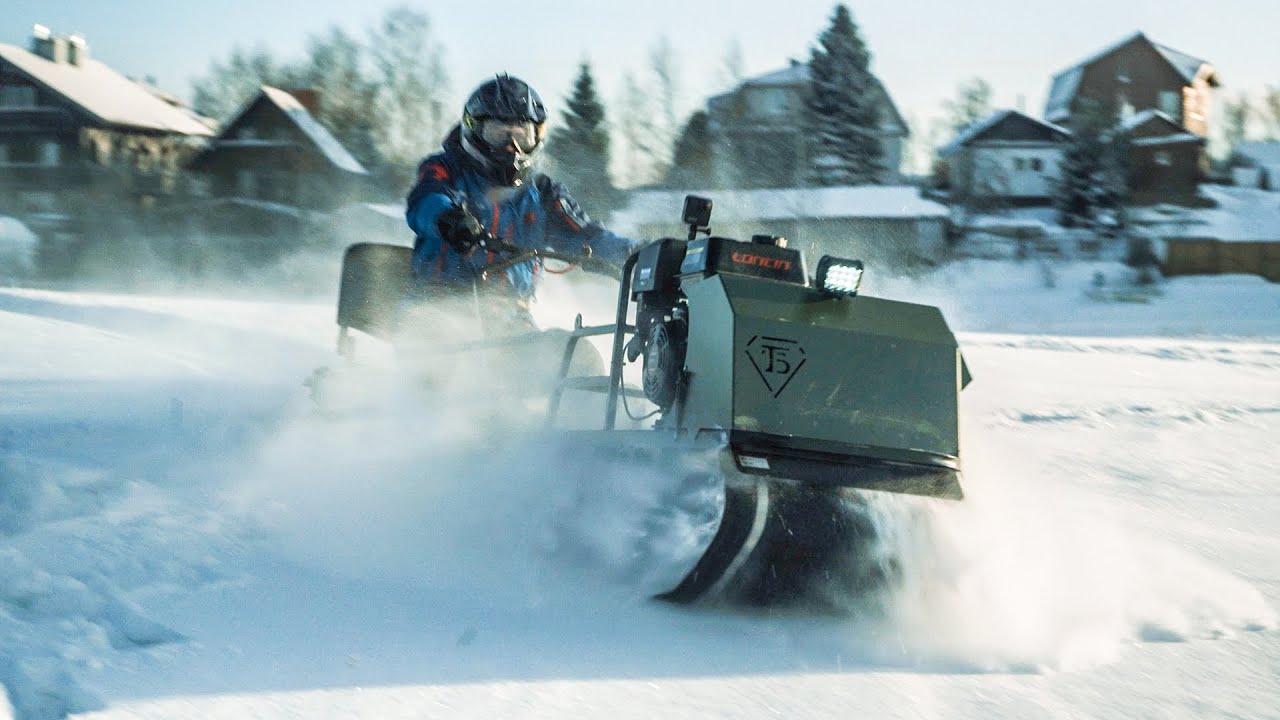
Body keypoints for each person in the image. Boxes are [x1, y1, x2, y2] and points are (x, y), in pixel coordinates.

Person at [404, 73, 633, 335]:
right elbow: (426, 199)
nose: (510, 148)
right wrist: (450, 220)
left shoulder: (543, 193)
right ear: (474, 130)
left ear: (537, 137)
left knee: (572, 352)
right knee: (443, 346)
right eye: (498, 134)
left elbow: (587, 235)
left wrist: (636, 255)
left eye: (521, 136)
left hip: (512, 319)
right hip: (436, 306)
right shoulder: (446, 169)